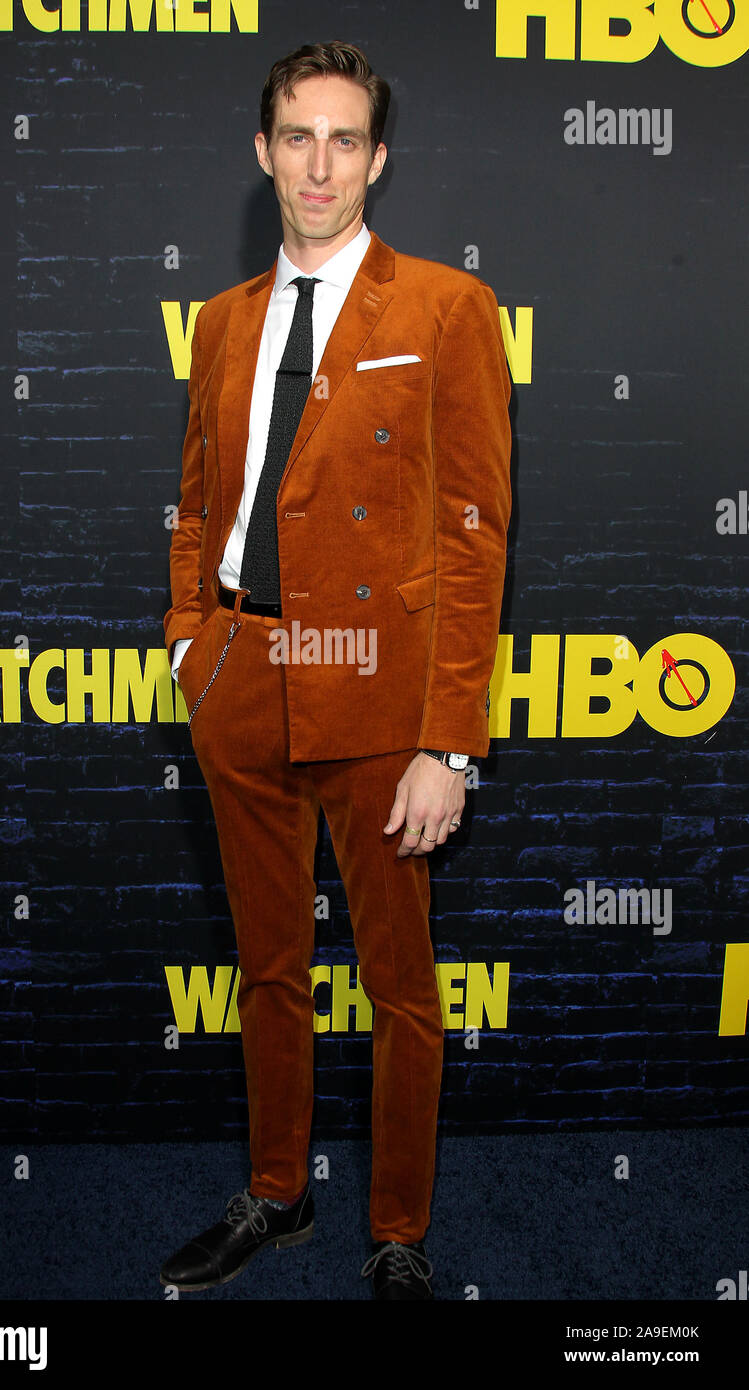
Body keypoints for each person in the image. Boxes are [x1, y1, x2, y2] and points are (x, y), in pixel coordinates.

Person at [159, 39, 512, 1300]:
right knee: (264, 967)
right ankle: (275, 1193)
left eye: (343, 139)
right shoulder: (218, 324)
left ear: (378, 158)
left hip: (379, 691)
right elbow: (197, 504)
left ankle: (399, 1226)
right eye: (296, 137)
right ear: (263, 155)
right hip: (243, 678)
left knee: (399, 986)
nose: (319, 162)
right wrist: (192, 642)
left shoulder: (445, 310)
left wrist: (449, 740)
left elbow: (476, 535)